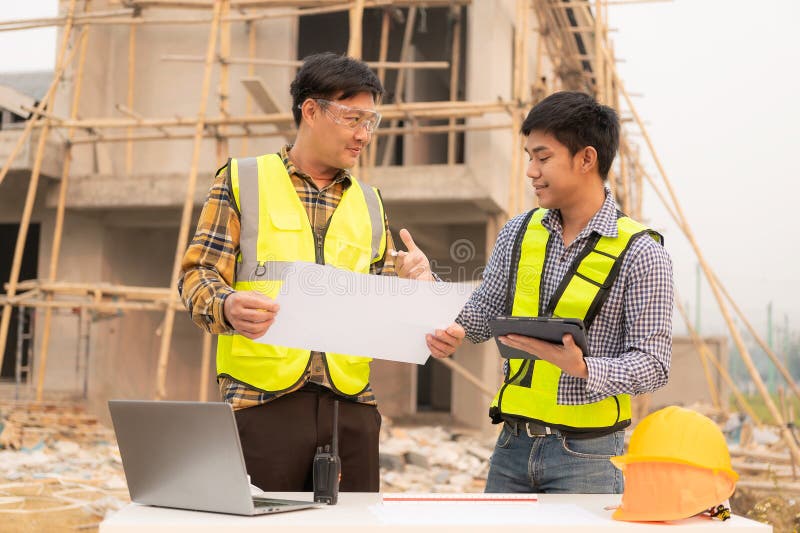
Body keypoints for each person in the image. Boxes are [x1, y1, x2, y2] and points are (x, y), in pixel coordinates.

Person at [179, 52, 464, 493]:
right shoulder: (242, 180)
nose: (364, 134)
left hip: (351, 409)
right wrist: (227, 305)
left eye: (372, 121)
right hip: (262, 403)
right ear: (311, 111)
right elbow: (197, 275)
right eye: (354, 119)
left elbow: (392, 295)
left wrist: (425, 294)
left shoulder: (370, 202)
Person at [436, 91, 673, 494]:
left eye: (542, 158)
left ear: (586, 159)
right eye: (529, 157)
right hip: (512, 447)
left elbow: (654, 364)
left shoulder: (642, 253)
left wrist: (582, 367)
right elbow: (480, 315)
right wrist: (434, 297)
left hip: (589, 457)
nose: (531, 170)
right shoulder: (518, 232)